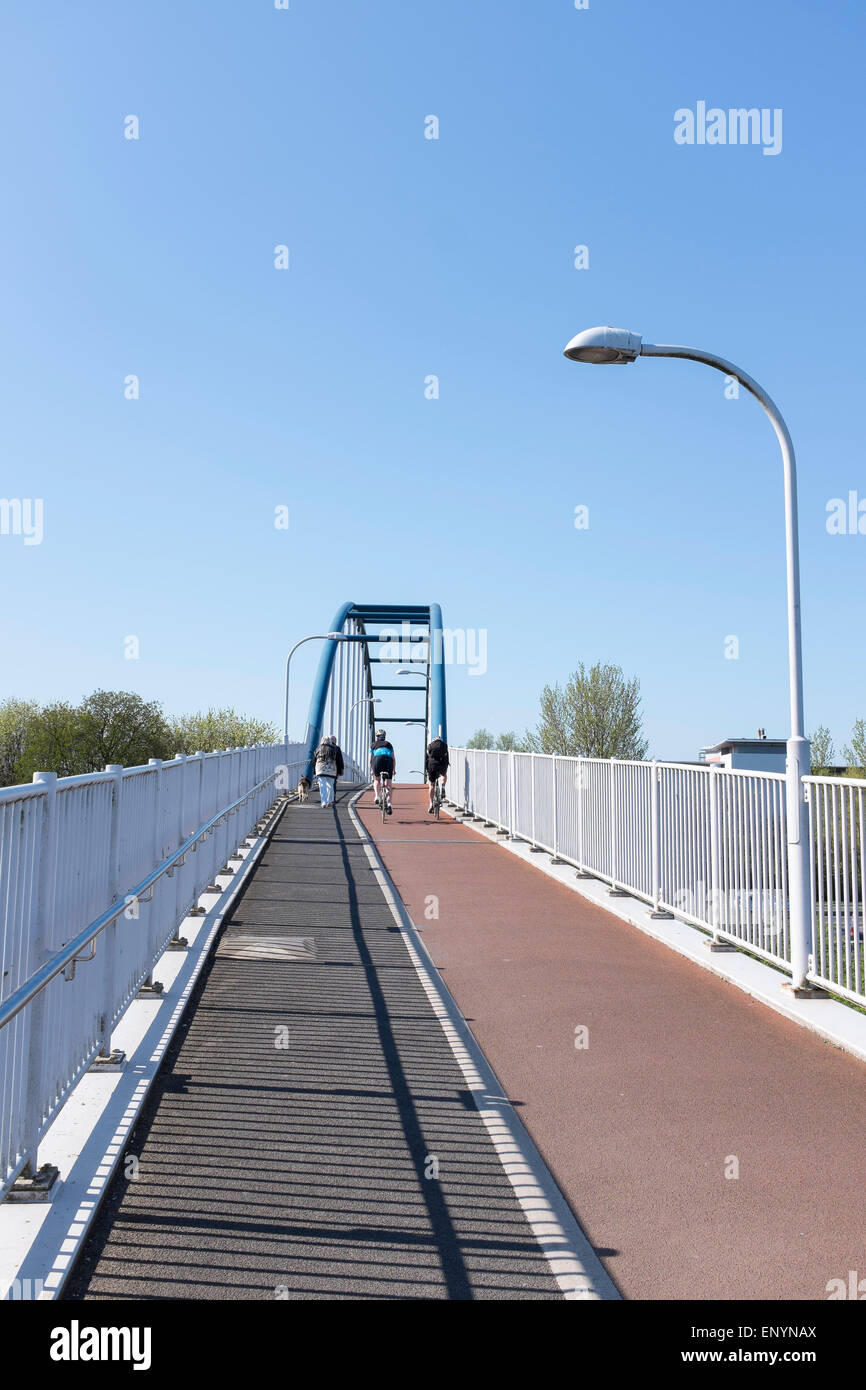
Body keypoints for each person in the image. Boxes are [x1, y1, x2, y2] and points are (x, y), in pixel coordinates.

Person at [369, 728, 396, 815]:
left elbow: (370, 759)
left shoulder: (373, 744)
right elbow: (393, 758)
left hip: (377, 759)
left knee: (377, 779)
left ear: (377, 737)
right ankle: (389, 804)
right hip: (388, 760)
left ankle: (377, 796)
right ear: (384, 737)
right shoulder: (389, 744)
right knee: (388, 784)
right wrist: (393, 770)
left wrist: (372, 770)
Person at [314, 734, 344, 809]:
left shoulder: (318, 749)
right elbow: (339, 760)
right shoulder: (334, 748)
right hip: (331, 770)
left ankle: (323, 802)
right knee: (330, 785)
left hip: (320, 769)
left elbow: (314, 760)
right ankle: (330, 801)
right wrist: (340, 770)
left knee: (322, 786)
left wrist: (314, 770)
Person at [425, 735, 449, 813]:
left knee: (431, 785)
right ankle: (443, 787)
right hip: (442, 764)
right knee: (443, 775)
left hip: (432, 765)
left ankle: (431, 804)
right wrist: (445, 767)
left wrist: (427, 770)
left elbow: (426, 759)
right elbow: (446, 758)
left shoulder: (430, 746)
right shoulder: (444, 746)